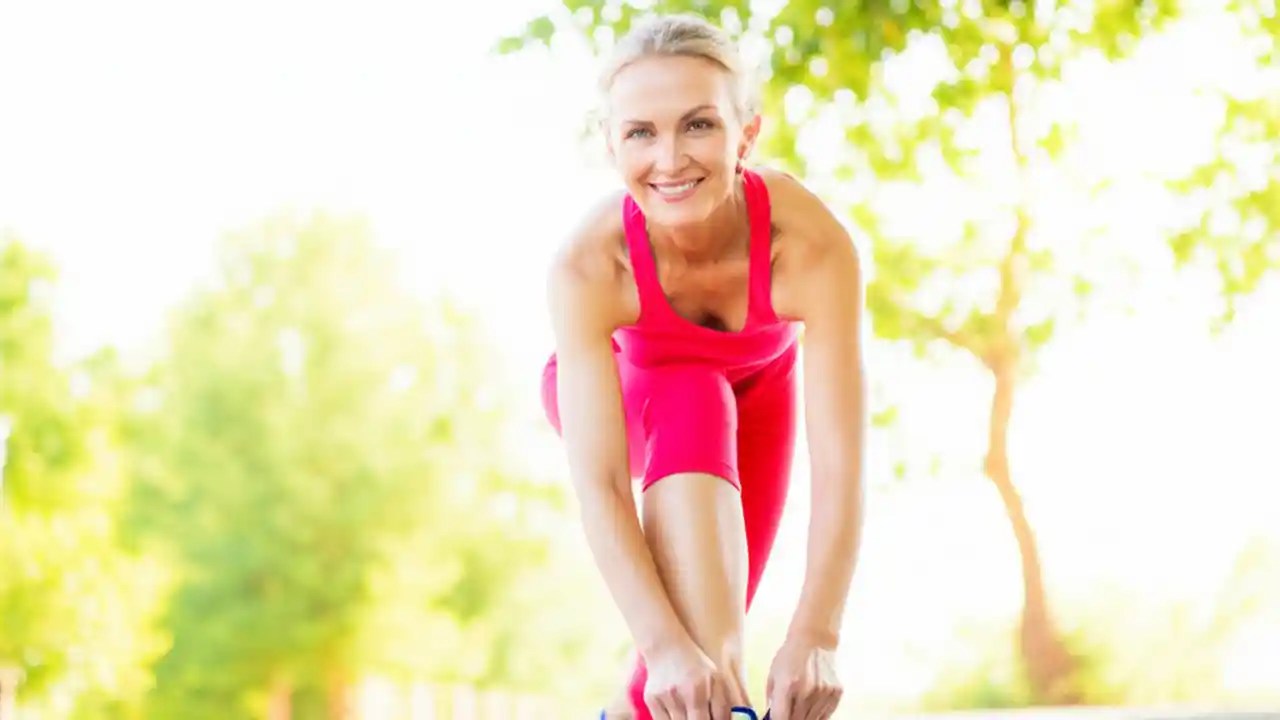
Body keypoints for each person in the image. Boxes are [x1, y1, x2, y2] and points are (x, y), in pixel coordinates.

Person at [540, 13, 866, 720]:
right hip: (625, 397)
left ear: (745, 134)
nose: (670, 159)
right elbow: (600, 483)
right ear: (611, 144)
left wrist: (817, 633)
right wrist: (657, 646)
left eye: (697, 125)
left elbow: (840, 458)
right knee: (691, 393)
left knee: (708, 631)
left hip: (758, 392)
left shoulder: (810, 245)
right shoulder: (589, 264)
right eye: (640, 133)